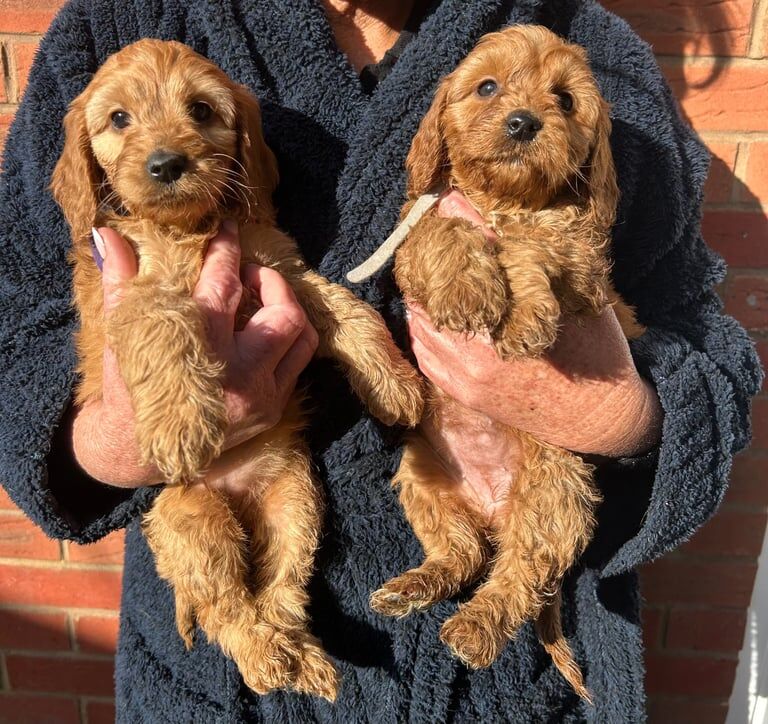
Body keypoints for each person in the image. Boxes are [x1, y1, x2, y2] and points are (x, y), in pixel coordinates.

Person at [0, 0, 760, 721]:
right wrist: (114, 441)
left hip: (512, 685)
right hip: (226, 693)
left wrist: (613, 411)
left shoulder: (591, 49)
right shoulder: (117, 27)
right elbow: (17, 319)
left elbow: (699, 327)